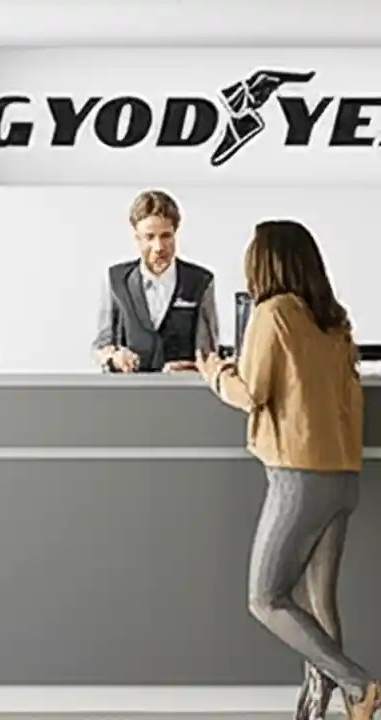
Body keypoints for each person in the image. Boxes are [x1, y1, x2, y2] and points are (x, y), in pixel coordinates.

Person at [197, 220, 380, 720]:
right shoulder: (334, 320)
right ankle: (322, 711)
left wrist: (214, 370)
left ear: (266, 262)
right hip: (343, 476)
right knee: (320, 604)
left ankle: (359, 686)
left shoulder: (272, 312)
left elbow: (251, 392)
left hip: (299, 477)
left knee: (266, 597)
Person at [93, 189, 218, 373]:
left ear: (175, 233)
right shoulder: (116, 279)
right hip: (129, 392)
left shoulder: (200, 281)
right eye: (149, 237)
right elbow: (101, 345)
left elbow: (208, 354)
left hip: (184, 393)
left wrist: (190, 368)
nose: (159, 247)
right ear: (137, 238)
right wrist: (115, 356)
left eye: (166, 236)